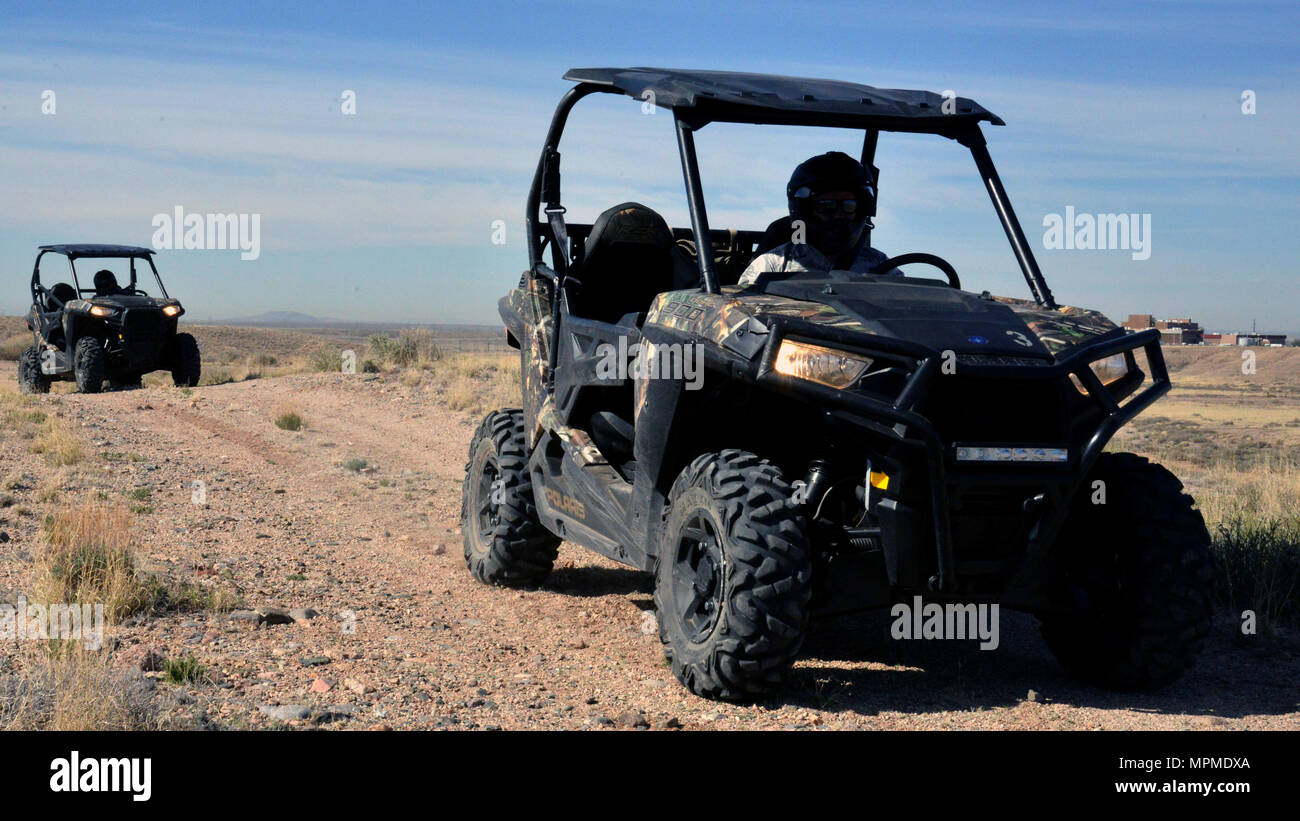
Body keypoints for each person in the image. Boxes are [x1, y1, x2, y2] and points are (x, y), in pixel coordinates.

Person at [737, 151, 900, 287]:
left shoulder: (880, 267)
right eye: (827, 207)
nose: (839, 215)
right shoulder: (772, 267)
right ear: (805, 210)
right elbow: (742, 318)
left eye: (849, 206)